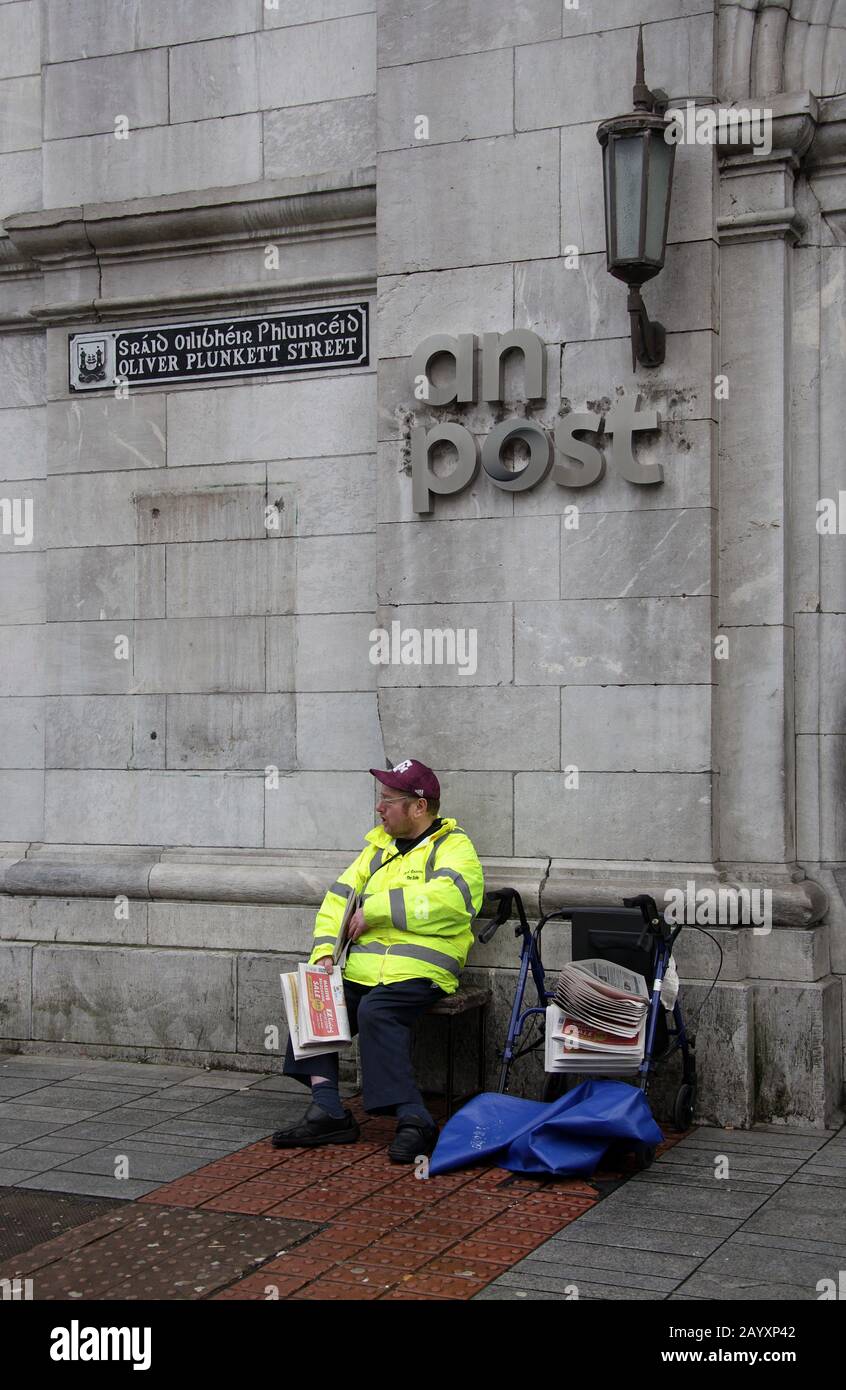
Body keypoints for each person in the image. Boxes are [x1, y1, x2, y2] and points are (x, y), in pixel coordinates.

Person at [271, 759, 484, 1163]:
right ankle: (328, 1107)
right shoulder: (377, 850)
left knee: (376, 1010)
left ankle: (414, 1117)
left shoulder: (454, 847)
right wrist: (324, 955)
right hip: (366, 969)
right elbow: (338, 900)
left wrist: (378, 910)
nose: (379, 807)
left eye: (388, 800)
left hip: (422, 970)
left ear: (418, 807)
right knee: (314, 996)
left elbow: (455, 902)